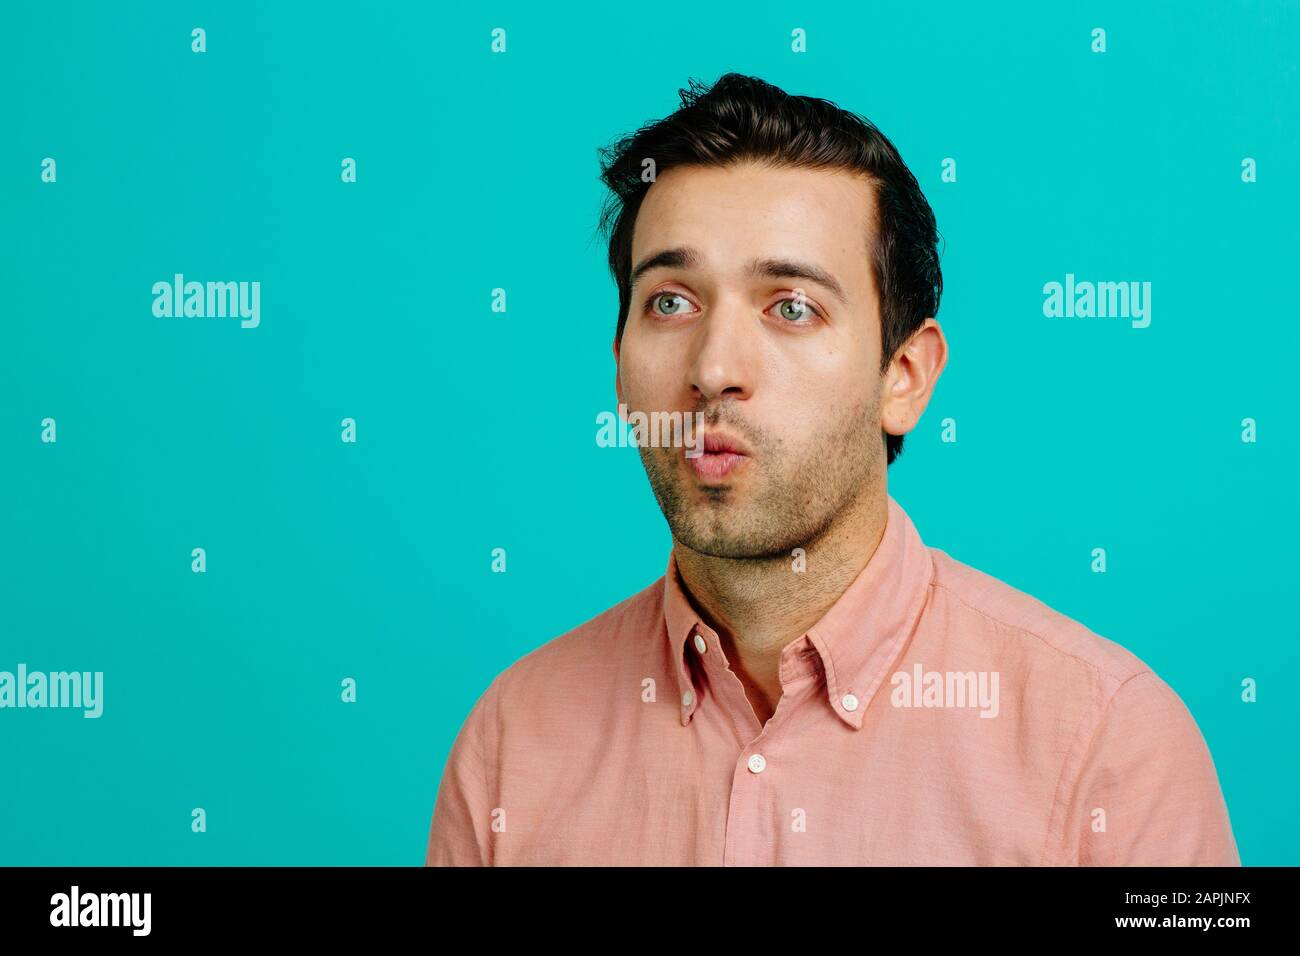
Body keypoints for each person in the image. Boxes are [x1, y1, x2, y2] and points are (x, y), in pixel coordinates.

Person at [425, 73, 1239, 866]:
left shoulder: (1108, 745)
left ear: (905, 378)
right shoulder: (511, 742)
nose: (713, 369)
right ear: (617, 362)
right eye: (671, 301)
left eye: (791, 307)